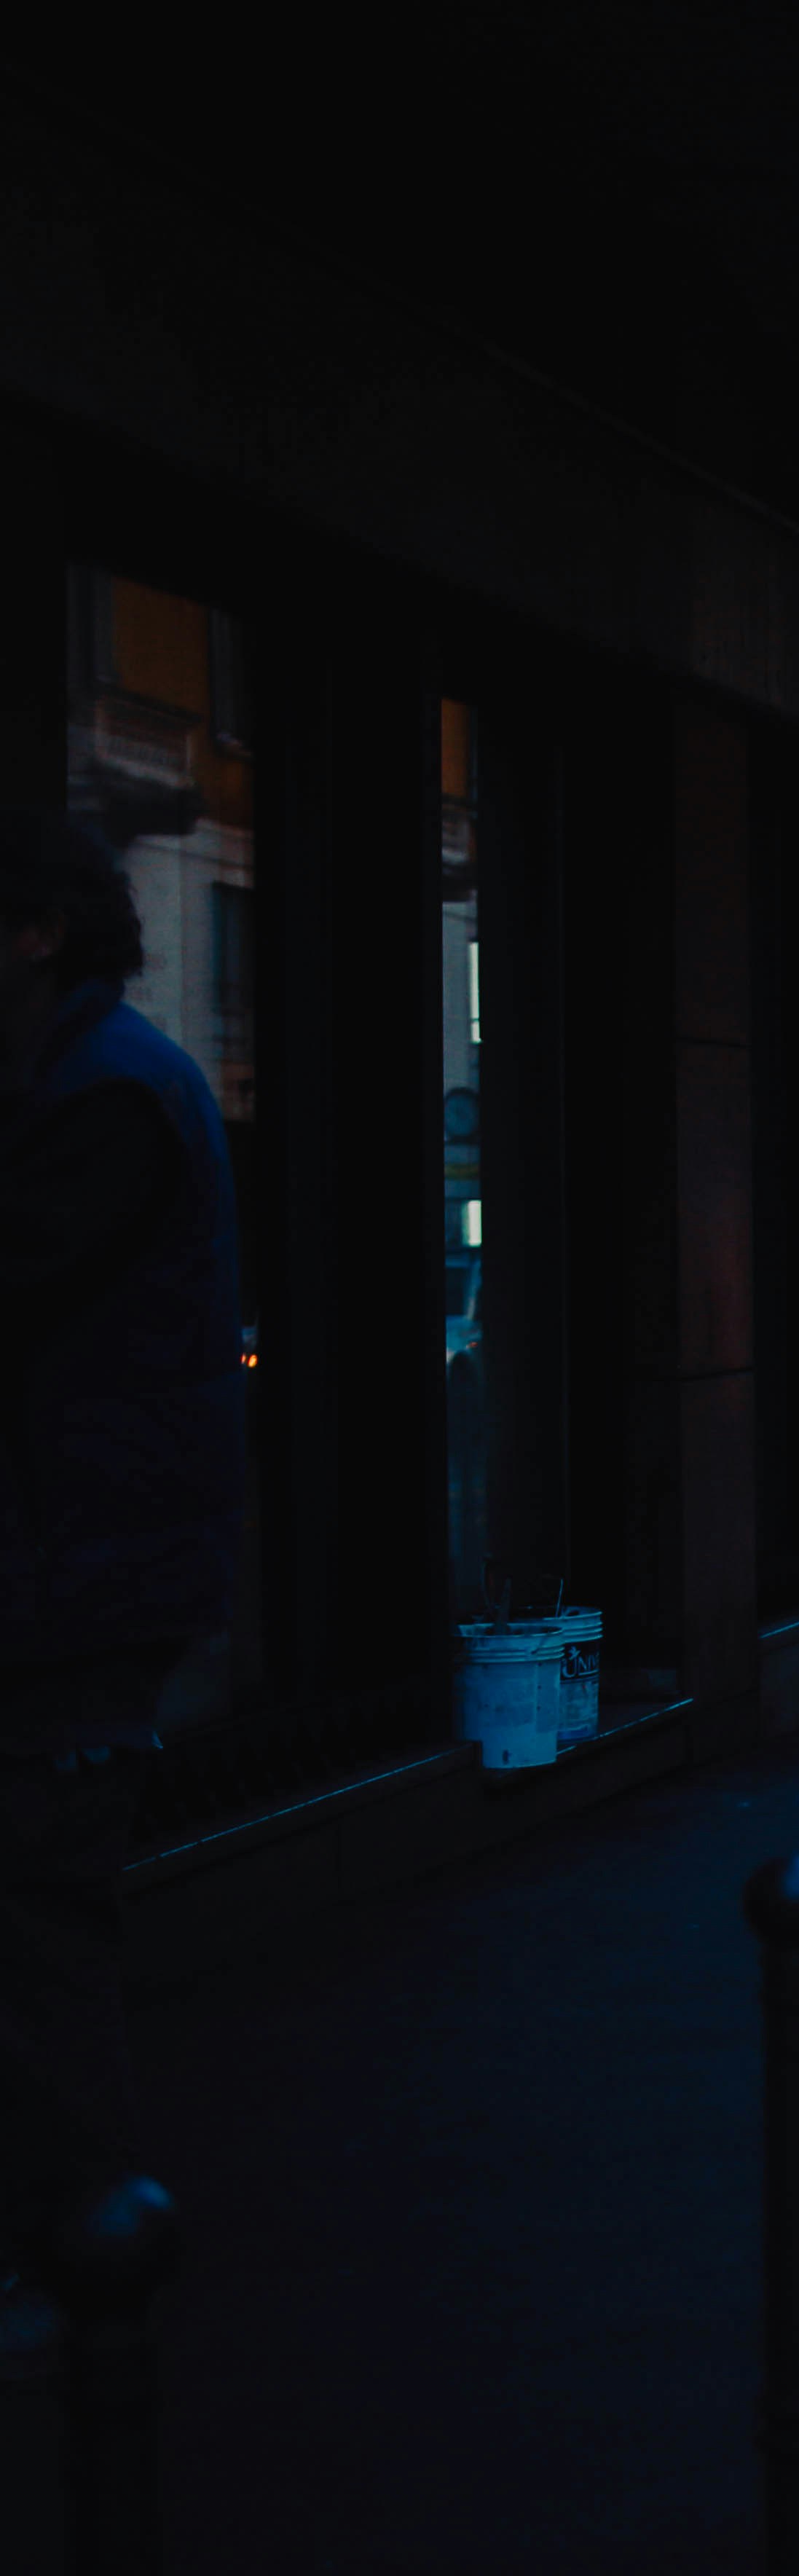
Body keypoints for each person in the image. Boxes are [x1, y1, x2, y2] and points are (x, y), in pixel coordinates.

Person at [1, 817, 243, 2270]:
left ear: (35, 934)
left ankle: (75, 2267)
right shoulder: (97, 1081)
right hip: (70, 1574)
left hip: (70, 1585)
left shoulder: (105, 1102)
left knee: (36, 1935)